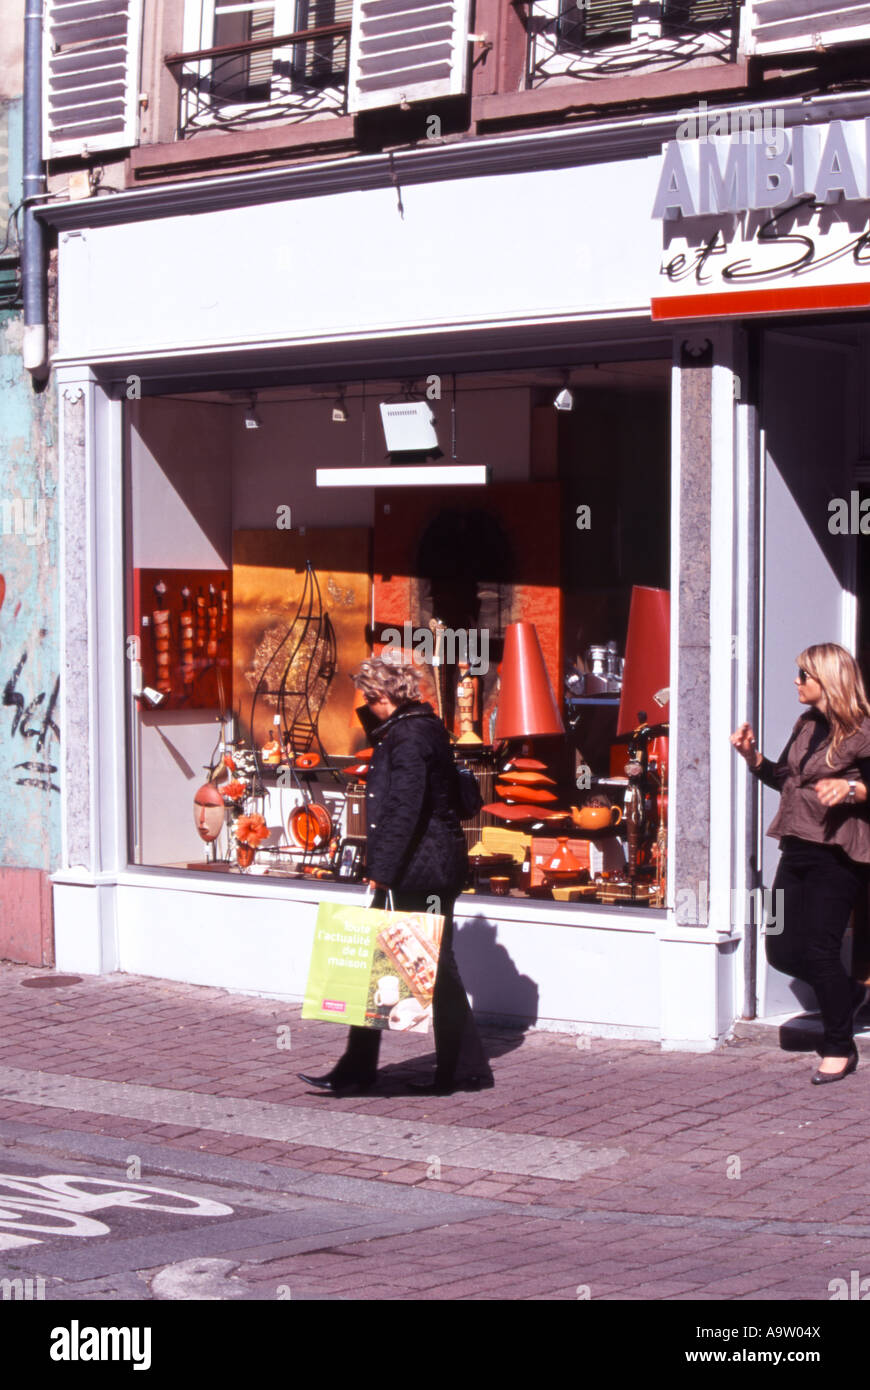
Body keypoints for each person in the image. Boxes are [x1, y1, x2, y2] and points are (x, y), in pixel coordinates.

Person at [298, 657, 493, 1096]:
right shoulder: (416, 728)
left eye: (372, 700)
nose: (368, 708)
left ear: (390, 697)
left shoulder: (408, 738)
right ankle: (362, 1066)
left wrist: (380, 873)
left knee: (432, 967)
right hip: (427, 865)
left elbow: (403, 811)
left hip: (423, 870)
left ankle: (462, 1070)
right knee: (389, 961)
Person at [731, 643, 870, 1084]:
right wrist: (752, 758)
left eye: (803, 676)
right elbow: (787, 781)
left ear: (825, 680)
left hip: (837, 854)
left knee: (820, 950)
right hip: (794, 847)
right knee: (778, 947)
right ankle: (847, 994)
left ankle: (839, 1046)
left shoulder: (864, 731)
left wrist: (848, 791)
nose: (796, 682)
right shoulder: (806, 723)